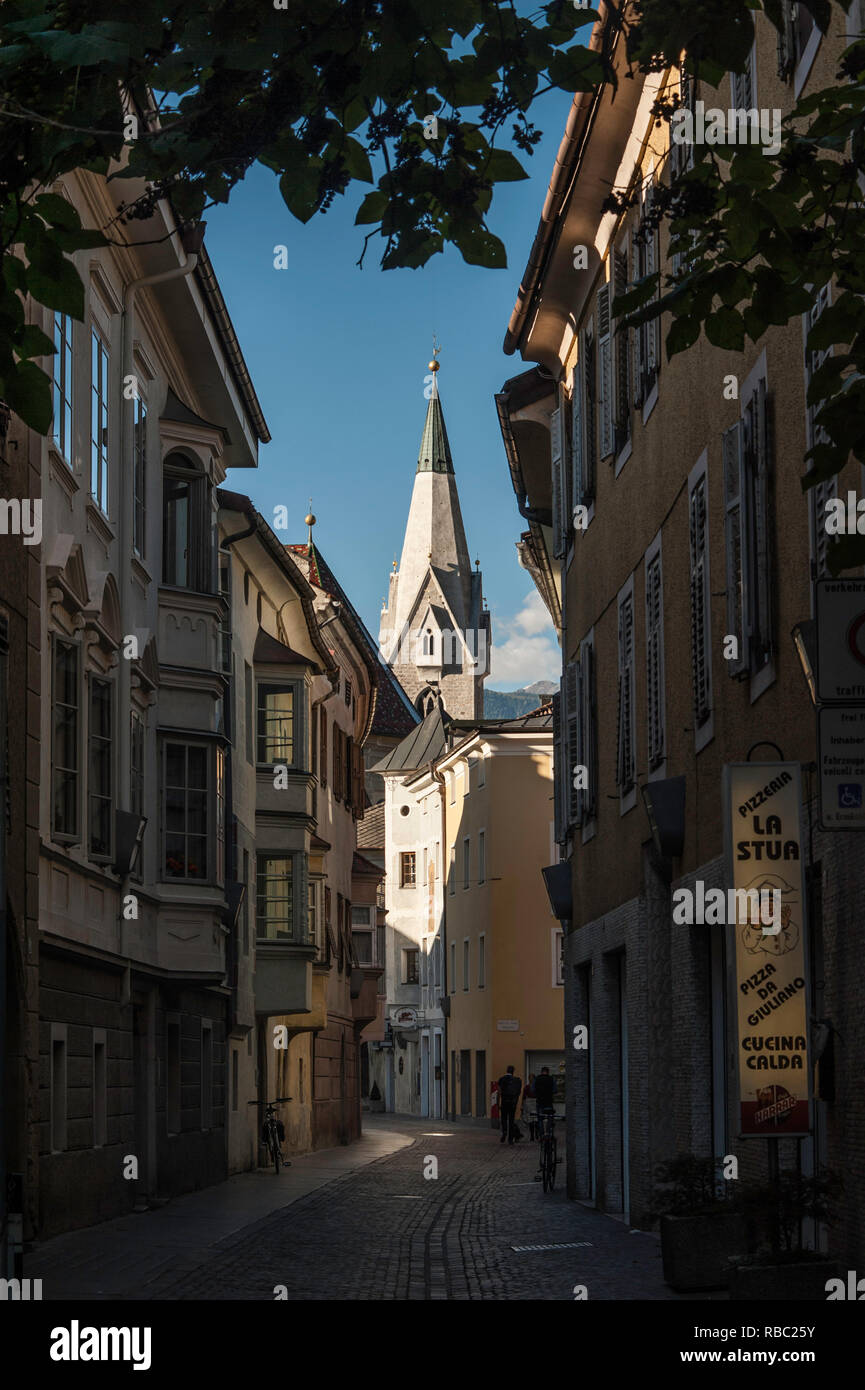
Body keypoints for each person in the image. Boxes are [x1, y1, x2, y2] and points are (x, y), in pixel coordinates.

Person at [497, 1064, 522, 1144]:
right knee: (511, 1120)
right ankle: (510, 1139)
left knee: (504, 1118)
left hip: (504, 1101)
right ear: (513, 1071)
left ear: (507, 1070)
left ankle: (504, 1132)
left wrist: (498, 1103)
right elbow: (518, 1093)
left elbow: (499, 1092)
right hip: (512, 1103)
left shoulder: (501, 1079)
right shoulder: (517, 1080)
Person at [523, 1073, 537, 1140]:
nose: (530, 1079)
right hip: (530, 1103)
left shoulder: (529, 1087)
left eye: (531, 1078)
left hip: (532, 1103)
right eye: (529, 1078)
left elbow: (524, 1097)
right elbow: (524, 1097)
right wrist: (522, 1105)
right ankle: (533, 1135)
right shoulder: (527, 1087)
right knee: (532, 1120)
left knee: (534, 1120)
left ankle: (535, 1135)